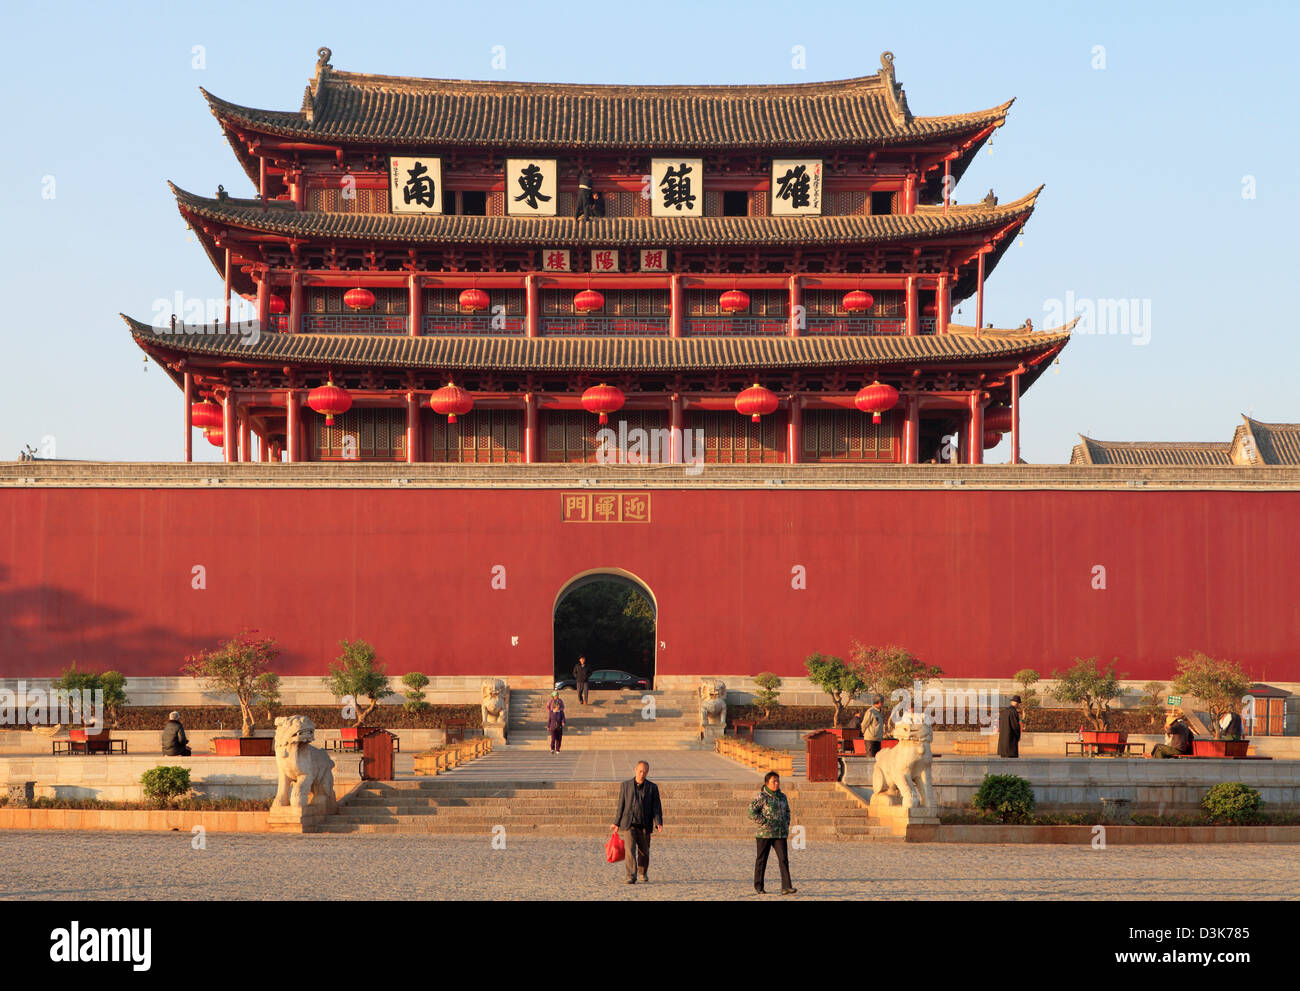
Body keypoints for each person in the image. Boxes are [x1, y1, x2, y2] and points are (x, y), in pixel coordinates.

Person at [611, 760, 663, 884]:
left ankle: (642, 872)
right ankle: (631, 875)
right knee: (629, 849)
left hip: (645, 825)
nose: (642, 774)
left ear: (647, 773)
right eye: (640, 771)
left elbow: (656, 806)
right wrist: (617, 823)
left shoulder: (652, 787)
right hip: (629, 823)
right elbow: (621, 805)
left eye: (644, 772)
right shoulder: (626, 785)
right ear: (635, 770)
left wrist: (658, 822)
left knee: (644, 851)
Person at [748, 771, 796, 895]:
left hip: (780, 833)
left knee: (783, 859)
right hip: (765, 833)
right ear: (767, 783)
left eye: (778, 781)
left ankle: (786, 886)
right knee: (761, 859)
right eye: (774, 781)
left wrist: (786, 823)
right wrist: (764, 822)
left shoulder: (782, 796)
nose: (776, 783)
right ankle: (759, 886)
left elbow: (787, 812)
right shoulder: (762, 796)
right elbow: (751, 811)